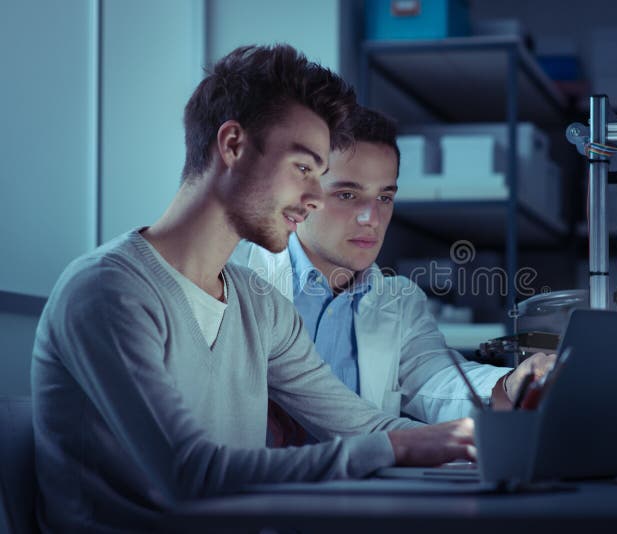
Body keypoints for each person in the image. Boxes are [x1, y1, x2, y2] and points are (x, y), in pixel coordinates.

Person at [31, 45, 474, 533]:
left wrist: (482, 441)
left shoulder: (259, 306)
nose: (312, 198)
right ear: (233, 144)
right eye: (304, 169)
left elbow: (367, 427)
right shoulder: (108, 291)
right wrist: (397, 447)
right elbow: (188, 473)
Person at [232, 106, 551, 430]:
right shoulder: (239, 280)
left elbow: (438, 380)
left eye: (384, 197)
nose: (371, 218)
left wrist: (515, 384)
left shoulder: (398, 301)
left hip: (365, 479)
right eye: (347, 194)